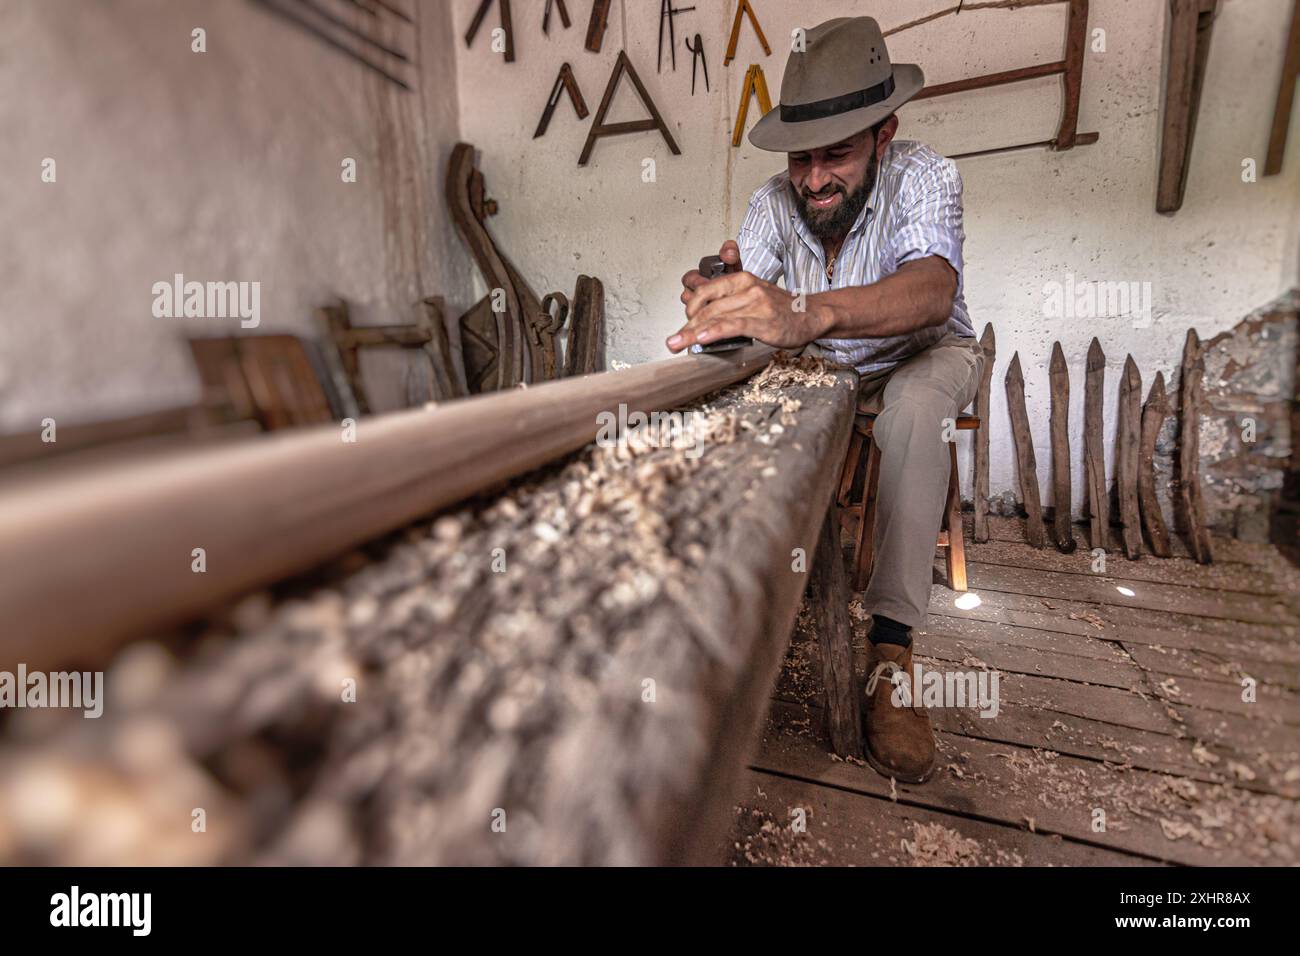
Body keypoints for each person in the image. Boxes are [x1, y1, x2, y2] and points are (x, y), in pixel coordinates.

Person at [669, 16, 984, 784]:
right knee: (753, 407)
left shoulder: (927, 175)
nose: (813, 180)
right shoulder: (774, 203)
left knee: (913, 414)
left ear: (884, 133)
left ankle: (890, 651)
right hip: (827, 364)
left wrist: (810, 312)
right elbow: (760, 315)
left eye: (835, 154)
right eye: (801, 157)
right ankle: (727, 615)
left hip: (922, 353)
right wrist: (722, 306)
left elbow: (933, 292)